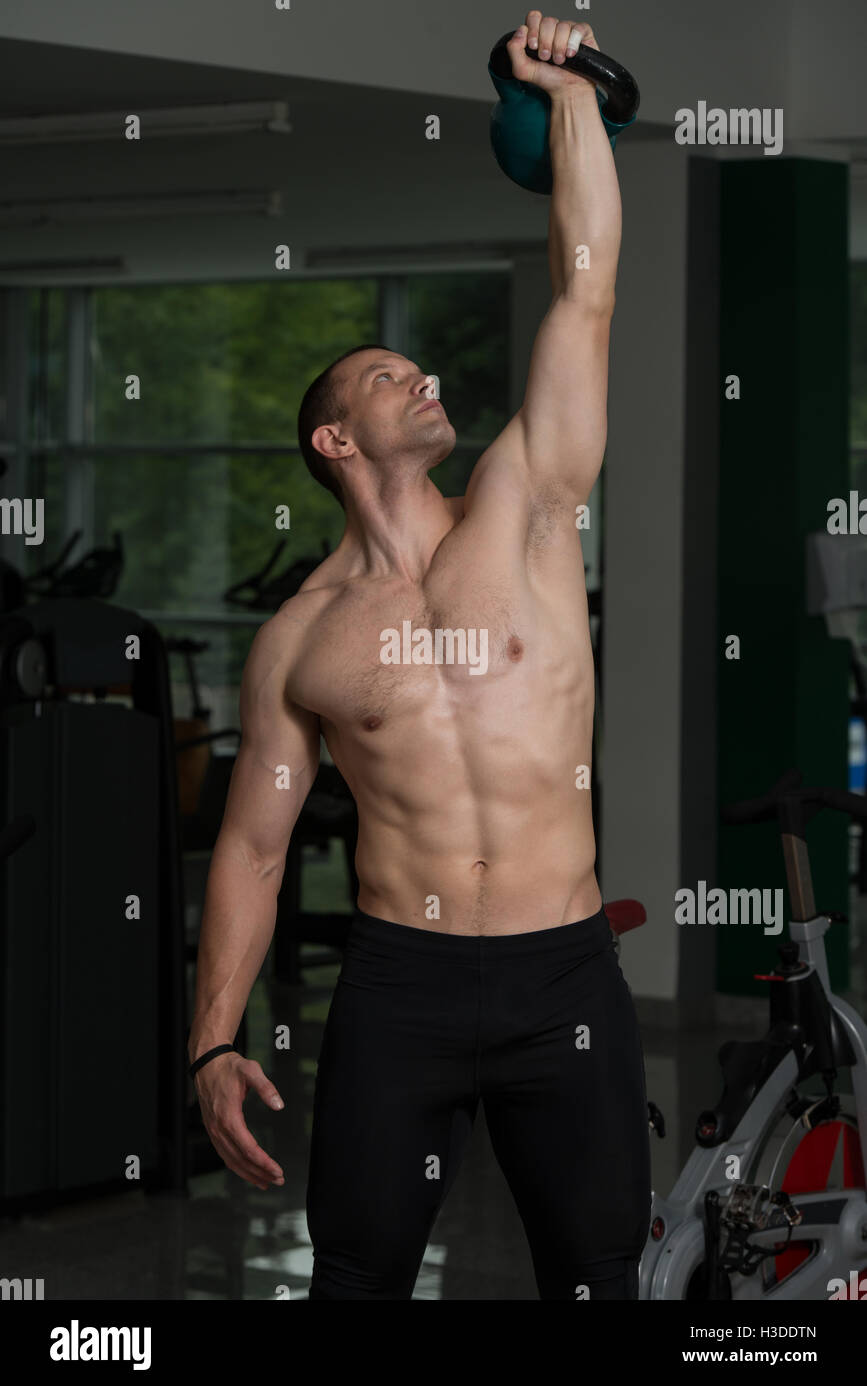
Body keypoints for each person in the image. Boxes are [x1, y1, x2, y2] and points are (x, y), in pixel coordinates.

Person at [188, 12, 651, 1300]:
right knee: (358, 1281)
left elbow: (589, 280)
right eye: (389, 377)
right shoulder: (301, 641)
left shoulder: (530, 504)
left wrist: (565, 91)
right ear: (335, 443)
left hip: (564, 966)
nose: (422, 375)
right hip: (401, 986)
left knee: (602, 1281)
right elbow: (253, 847)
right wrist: (210, 1045)